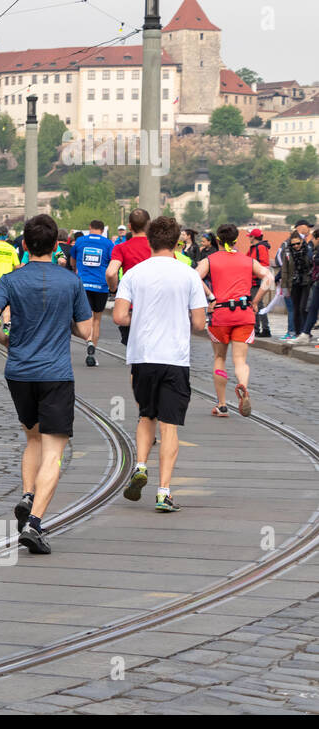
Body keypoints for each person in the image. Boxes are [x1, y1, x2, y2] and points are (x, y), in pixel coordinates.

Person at [0, 214, 93, 554]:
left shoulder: (12, 279)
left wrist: (7, 343)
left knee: (32, 437)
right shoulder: (70, 281)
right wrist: (68, 325)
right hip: (55, 374)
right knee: (54, 450)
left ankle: (28, 494)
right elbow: (87, 330)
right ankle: (34, 523)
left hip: (19, 372)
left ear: (25, 246)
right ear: (57, 244)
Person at [112, 216, 208, 513]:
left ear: (150, 240)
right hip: (174, 358)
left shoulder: (134, 274)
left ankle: (140, 465)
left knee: (145, 415)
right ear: (178, 241)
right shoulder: (189, 274)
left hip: (142, 356)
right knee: (170, 427)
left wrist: (137, 320)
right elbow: (199, 323)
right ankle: (164, 493)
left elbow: (118, 316)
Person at [199, 223, 273, 418]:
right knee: (240, 360)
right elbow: (269, 278)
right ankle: (243, 386)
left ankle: (222, 404)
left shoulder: (210, 259)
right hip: (244, 313)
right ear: (235, 240)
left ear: (218, 240)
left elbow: (194, 277)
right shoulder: (247, 260)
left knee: (219, 358)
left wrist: (210, 296)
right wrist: (255, 301)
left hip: (221, 314)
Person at [70, 220, 113, 367]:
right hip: (101, 286)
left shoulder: (81, 241)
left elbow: (73, 260)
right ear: (102, 230)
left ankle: (88, 340)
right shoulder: (108, 244)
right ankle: (92, 352)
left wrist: (77, 269)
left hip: (83, 285)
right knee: (97, 320)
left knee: (85, 319)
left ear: (90, 228)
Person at [106, 208, 152, 345]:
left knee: (134, 351)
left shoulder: (121, 248)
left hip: (132, 306)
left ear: (129, 226)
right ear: (149, 224)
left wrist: (114, 289)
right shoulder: (158, 247)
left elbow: (110, 272)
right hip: (155, 303)